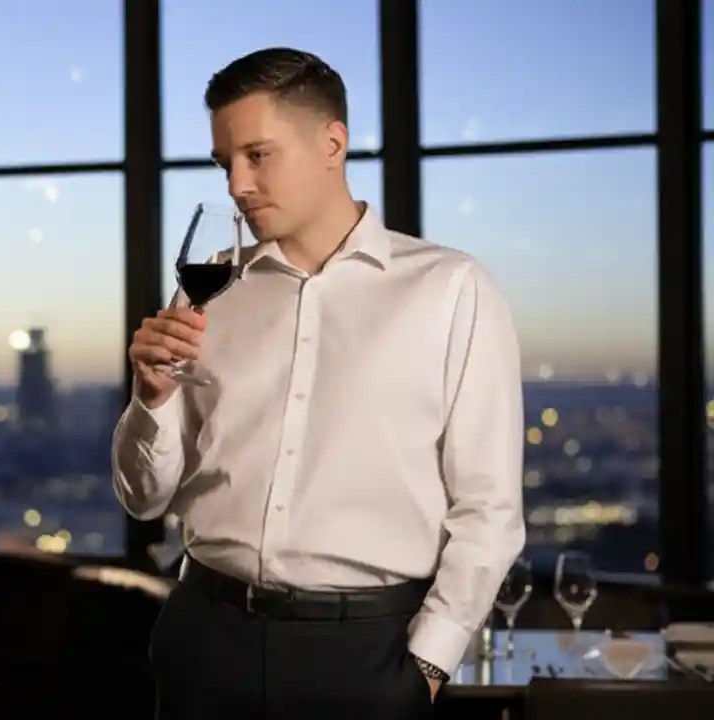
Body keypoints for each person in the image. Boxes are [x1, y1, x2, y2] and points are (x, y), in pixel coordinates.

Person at [112, 47, 525, 719]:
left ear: (332, 142)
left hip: (367, 654)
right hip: (205, 638)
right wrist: (151, 399)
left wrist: (425, 665)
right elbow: (143, 498)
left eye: (258, 155)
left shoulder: (451, 289)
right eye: (225, 164)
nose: (236, 186)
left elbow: (490, 511)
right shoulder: (211, 288)